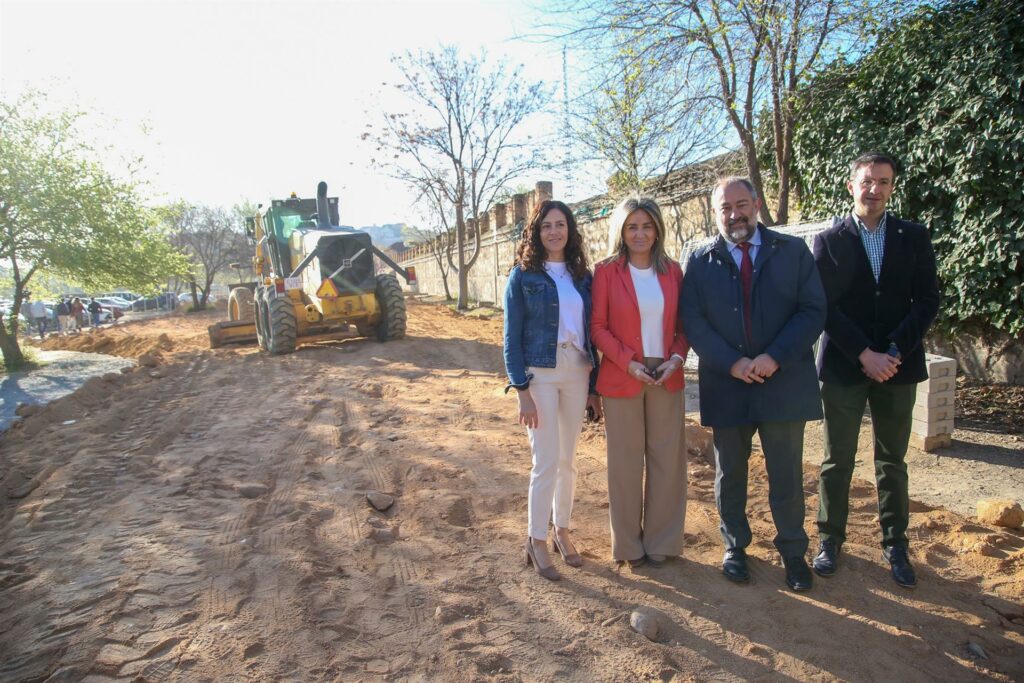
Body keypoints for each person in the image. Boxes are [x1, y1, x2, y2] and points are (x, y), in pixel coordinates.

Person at [680, 177, 826, 591]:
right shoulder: (700, 260)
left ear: (756, 204)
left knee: (786, 472)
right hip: (728, 382)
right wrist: (733, 363)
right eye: (725, 208)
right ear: (715, 214)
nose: (734, 214)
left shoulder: (792, 251)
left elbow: (813, 310)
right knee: (730, 471)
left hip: (783, 380)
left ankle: (794, 553)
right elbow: (693, 322)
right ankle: (735, 546)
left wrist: (772, 356)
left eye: (741, 204)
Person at [811, 153, 940, 588]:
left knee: (892, 461)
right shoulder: (829, 240)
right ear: (852, 185)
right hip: (846, 366)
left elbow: (926, 302)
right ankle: (829, 538)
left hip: (897, 367)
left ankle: (895, 543)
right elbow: (824, 306)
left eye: (883, 182)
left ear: (891, 187)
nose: (875, 189)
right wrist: (864, 353)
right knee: (837, 459)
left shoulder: (915, 237)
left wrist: (892, 351)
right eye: (868, 181)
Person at [504, 199, 602, 581]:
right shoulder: (523, 276)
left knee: (568, 460)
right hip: (539, 374)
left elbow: (591, 332)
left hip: (577, 370)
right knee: (545, 461)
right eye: (546, 225)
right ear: (536, 231)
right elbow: (511, 338)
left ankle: (562, 529)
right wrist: (521, 391)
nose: (554, 231)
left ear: (570, 230)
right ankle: (536, 538)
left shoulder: (582, 277)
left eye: (560, 224)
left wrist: (594, 387)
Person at [591, 197, 689, 569]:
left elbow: (683, 328)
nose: (640, 233)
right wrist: (627, 362)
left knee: (667, 459)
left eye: (647, 226)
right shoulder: (606, 272)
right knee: (625, 463)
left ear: (657, 229)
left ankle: (662, 542)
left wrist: (676, 359)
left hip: (666, 372)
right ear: (621, 230)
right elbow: (597, 328)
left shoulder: (674, 271)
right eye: (632, 226)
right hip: (622, 372)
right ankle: (629, 545)